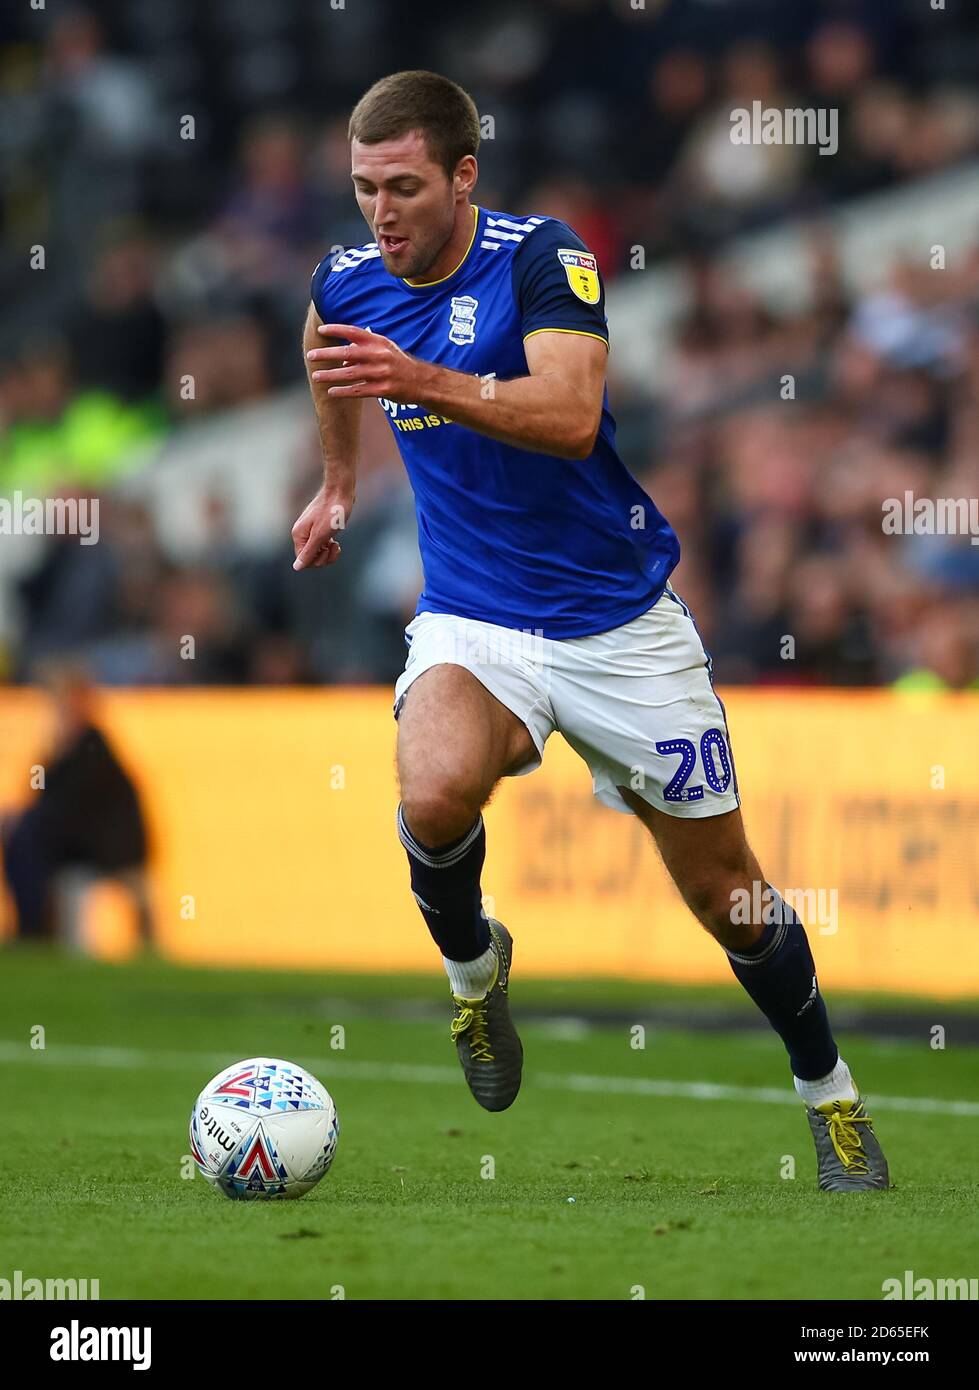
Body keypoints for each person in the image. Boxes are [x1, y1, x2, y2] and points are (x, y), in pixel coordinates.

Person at [293, 70, 888, 1192]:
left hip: (616, 627)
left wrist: (420, 377)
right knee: (429, 791)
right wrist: (335, 483)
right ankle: (476, 979)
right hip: (474, 617)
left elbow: (568, 418)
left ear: (464, 175)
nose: (382, 213)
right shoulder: (348, 275)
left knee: (732, 900)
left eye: (406, 187)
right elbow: (326, 339)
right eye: (366, 188)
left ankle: (832, 1096)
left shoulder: (540, 257)